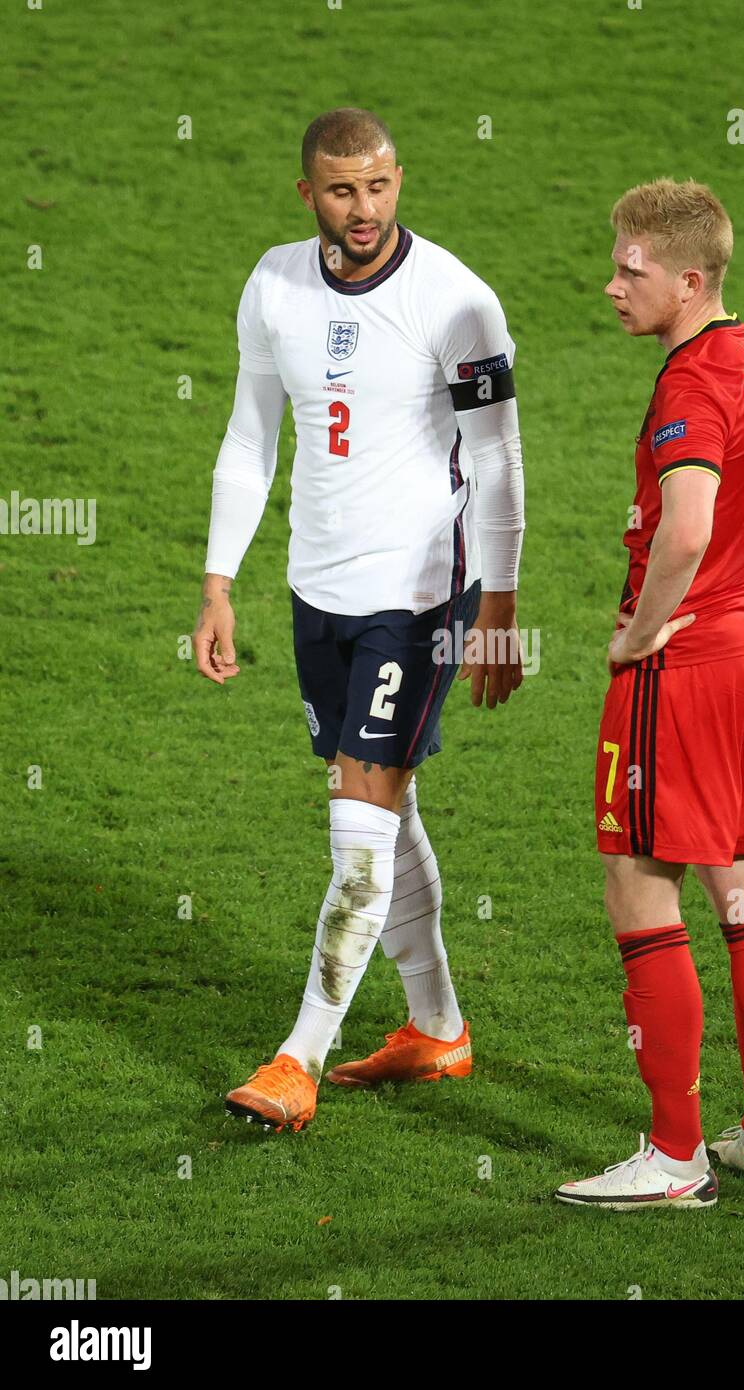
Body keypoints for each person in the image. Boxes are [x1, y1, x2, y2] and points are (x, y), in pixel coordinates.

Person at [193, 108, 525, 1133]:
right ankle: (437, 1029)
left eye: (379, 186)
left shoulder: (457, 301)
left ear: (398, 180)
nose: (365, 208)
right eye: (343, 190)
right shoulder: (274, 284)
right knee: (382, 809)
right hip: (315, 593)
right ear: (309, 196)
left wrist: (501, 604)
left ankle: (299, 1056)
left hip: (419, 595)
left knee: (356, 833)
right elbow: (251, 439)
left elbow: (500, 459)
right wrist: (218, 578)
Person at [556, 179, 744, 1209]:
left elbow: (688, 525)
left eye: (632, 270)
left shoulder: (693, 382)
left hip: (690, 660)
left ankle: (672, 1158)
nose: (611, 285)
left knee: (637, 879)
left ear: (688, 278)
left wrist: (642, 629)